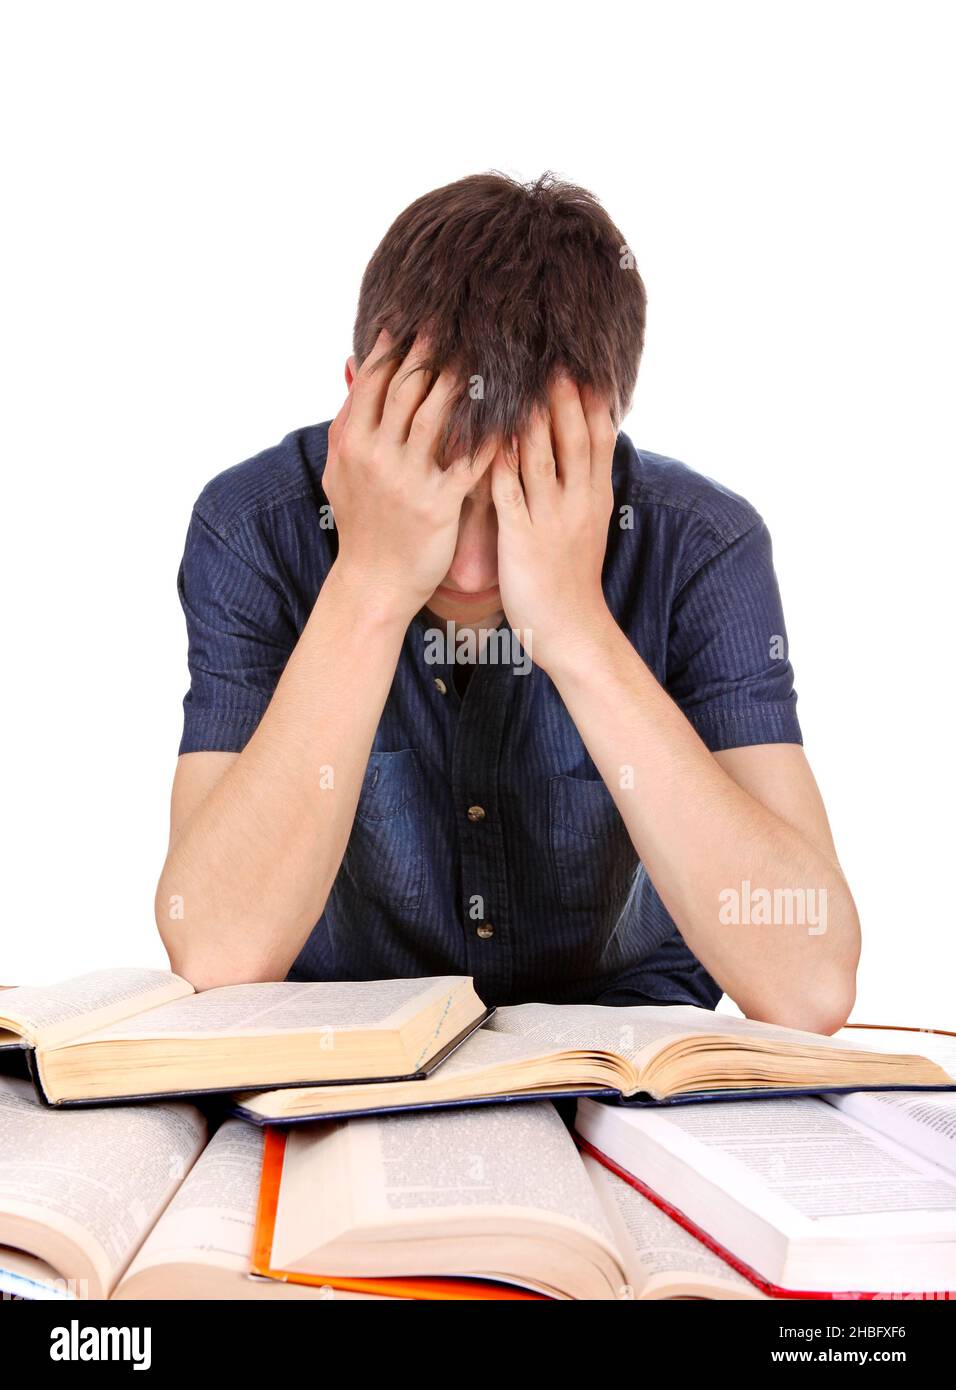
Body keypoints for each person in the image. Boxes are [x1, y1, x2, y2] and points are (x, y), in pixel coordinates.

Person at [156, 172, 859, 1030]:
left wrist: (573, 625)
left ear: (603, 431)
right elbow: (216, 953)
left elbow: (812, 984)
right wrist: (370, 585)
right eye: (440, 490)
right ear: (356, 408)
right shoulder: (252, 531)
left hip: (622, 1073)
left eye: (526, 490)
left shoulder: (702, 546)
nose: (476, 565)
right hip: (338, 1073)